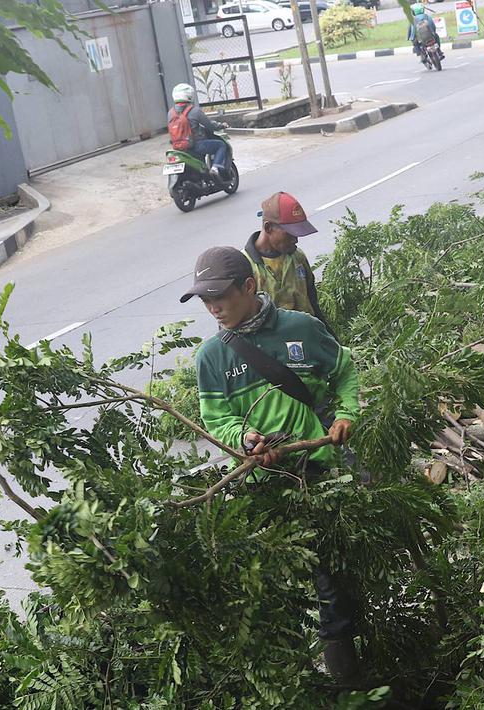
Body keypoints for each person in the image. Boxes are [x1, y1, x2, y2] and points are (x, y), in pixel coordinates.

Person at [181, 246, 363, 683]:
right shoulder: (212, 356)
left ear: (249, 286)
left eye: (219, 297)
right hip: (264, 483)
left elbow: (344, 371)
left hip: (320, 471)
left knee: (333, 575)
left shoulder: (301, 329)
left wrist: (347, 413)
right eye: (205, 300)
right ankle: (295, 676)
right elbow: (216, 419)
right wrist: (245, 440)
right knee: (272, 585)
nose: (213, 308)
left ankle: (346, 677)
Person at [242, 192, 331, 328]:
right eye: (290, 233)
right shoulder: (245, 266)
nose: (295, 239)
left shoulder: (298, 257)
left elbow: (313, 302)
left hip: (308, 337)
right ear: (268, 227)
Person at [168, 82, 230, 178]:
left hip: (178, 147)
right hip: (196, 145)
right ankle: (215, 168)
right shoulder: (194, 111)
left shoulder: (170, 113)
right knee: (221, 145)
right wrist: (221, 125)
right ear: (190, 96)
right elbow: (209, 125)